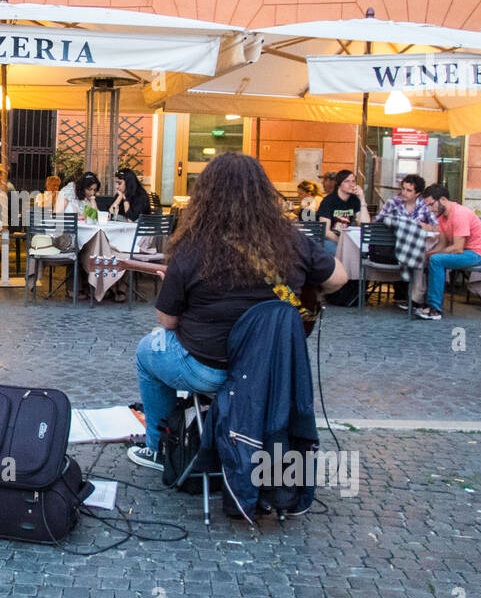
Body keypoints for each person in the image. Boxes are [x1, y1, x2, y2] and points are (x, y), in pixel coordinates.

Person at [129, 152, 347, 470]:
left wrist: (175, 286)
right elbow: (339, 277)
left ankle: (159, 448)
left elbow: (167, 320)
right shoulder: (291, 240)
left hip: (209, 369)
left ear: (205, 196)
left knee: (147, 352)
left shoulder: (190, 246)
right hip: (271, 372)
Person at [415, 184, 481, 320]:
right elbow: (442, 244)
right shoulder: (441, 217)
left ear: (443, 199)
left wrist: (434, 256)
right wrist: (426, 255)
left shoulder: (459, 214)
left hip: (478, 254)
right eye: (427, 206)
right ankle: (423, 302)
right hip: (467, 252)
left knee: (437, 260)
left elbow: (457, 247)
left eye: (431, 204)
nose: (429, 209)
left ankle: (435, 310)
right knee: (430, 259)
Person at [316, 169, 370, 253]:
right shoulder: (328, 201)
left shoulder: (355, 199)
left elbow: (365, 225)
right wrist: (342, 242)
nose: (351, 185)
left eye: (353, 181)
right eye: (347, 181)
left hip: (350, 239)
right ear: (339, 184)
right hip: (331, 240)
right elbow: (326, 231)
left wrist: (362, 199)